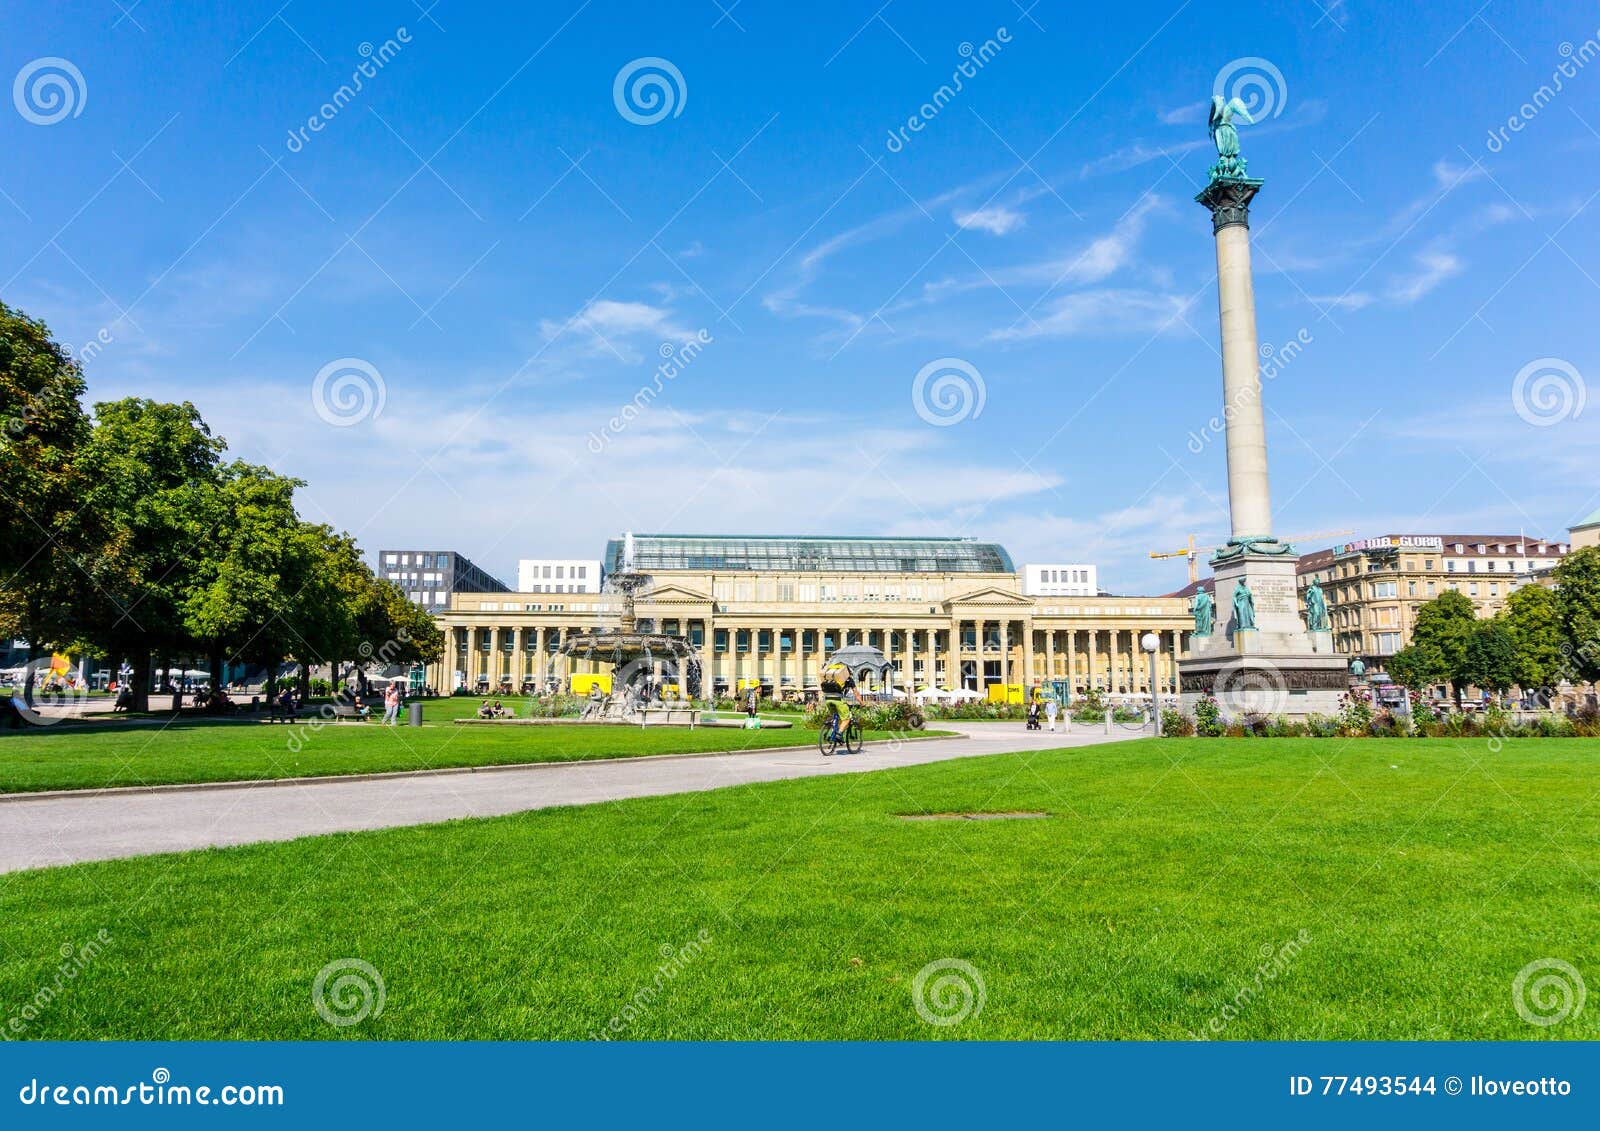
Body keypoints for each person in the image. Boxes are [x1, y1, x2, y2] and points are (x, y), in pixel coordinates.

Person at [819, 660, 863, 748]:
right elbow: (856, 693)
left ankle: (832, 730)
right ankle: (838, 734)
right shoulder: (849, 679)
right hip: (838, 699)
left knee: (836, 716)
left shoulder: (831, 678)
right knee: (847, 718)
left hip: (827, 699)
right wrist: (862, 703)